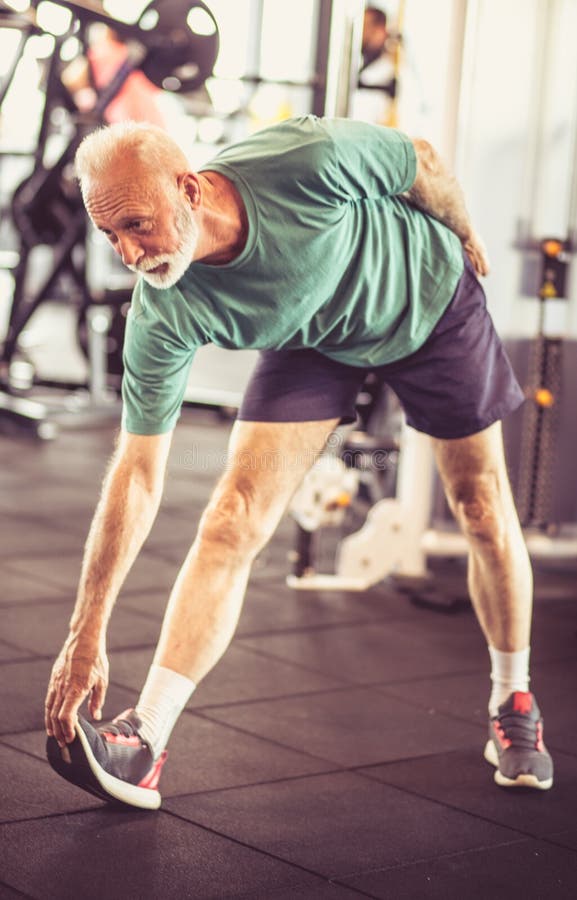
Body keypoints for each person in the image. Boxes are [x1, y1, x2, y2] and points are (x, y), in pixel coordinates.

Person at [44, 116, 554, 810]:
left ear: (189, 190)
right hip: (315, 338)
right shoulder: (163, 308)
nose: (129, 254)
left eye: (137, 225)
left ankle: (513, 699)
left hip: (427, 303)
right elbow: (135, 472)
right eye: (110, 235)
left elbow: (423, 162)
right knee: (231, 516)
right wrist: (86, 632)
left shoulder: (304, 161)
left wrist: (464, 233)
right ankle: (146, 739)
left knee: (481, 507)